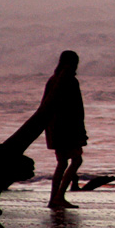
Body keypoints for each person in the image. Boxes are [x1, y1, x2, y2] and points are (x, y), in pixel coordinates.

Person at [43, 50, 86, 210]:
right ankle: (59, 196)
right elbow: (75, 109)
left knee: (62, 163)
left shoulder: (53, 79)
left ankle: (54, 198)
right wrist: (80, 130)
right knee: (76, 160)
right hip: (67, 127)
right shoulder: (69, 80)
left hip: (55, 127)